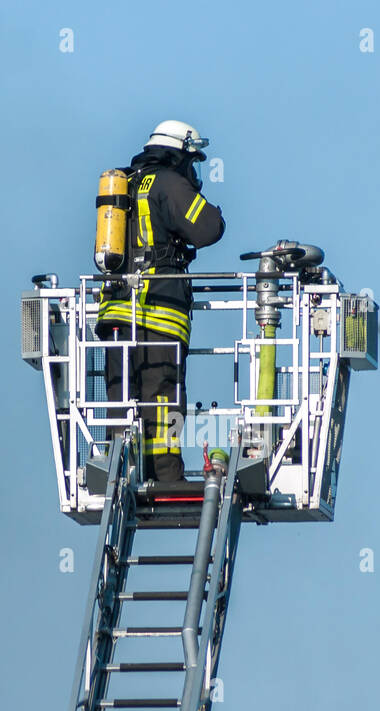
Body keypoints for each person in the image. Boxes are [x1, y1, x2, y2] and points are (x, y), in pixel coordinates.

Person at [95, 120, 225, 481]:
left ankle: (117, 468)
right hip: (157, 312)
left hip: (116, 312)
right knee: (163, 393)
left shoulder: (126, 180)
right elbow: (207, 228)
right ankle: (166, 473)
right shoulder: (169, 183)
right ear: (180, 153)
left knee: (121, 392)